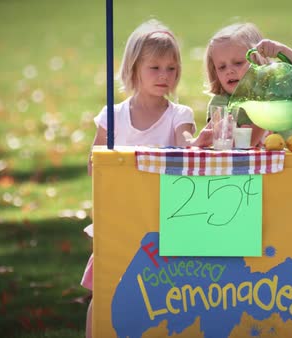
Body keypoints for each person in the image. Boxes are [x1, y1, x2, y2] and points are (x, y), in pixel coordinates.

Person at [82, 19, 209, 338]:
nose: (165, 76)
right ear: (134, 68)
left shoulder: (179, 115)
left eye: (171, 68)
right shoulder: (111, 115)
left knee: (165, 296)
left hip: (163, 223)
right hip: (120, 218)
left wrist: (194, 144)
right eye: (155, 67)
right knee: (106, 292)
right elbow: (93, 165)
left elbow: (186, 147)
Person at [203, 23, 292, 147]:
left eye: (238, 63)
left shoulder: (275, 88)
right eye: (222, 67)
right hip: (244, 165)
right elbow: (229, 145)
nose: (229, 71)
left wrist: (282, 50)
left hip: (285, 164)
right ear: (214, 71)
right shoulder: (221, 102)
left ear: (257, 60)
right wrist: (266, 112)